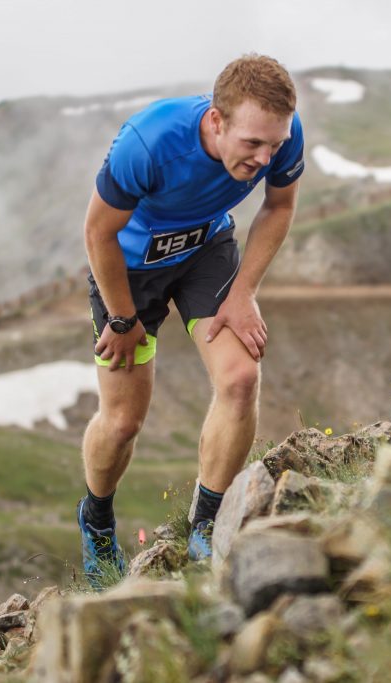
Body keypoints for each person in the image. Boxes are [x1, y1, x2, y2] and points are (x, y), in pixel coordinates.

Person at [77, 54, 305, 586]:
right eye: (253, 144)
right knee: (123, 421)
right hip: (130, 272)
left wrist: (243, 293)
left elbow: (279, 206)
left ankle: (207, 526)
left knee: (241, 378)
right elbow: (98, 233)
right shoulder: (150, 143)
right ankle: (97, 520)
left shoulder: (282, 135)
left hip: (205, 251)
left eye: (274, 145)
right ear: (216, 121)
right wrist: (122, 319)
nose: (265, 158)